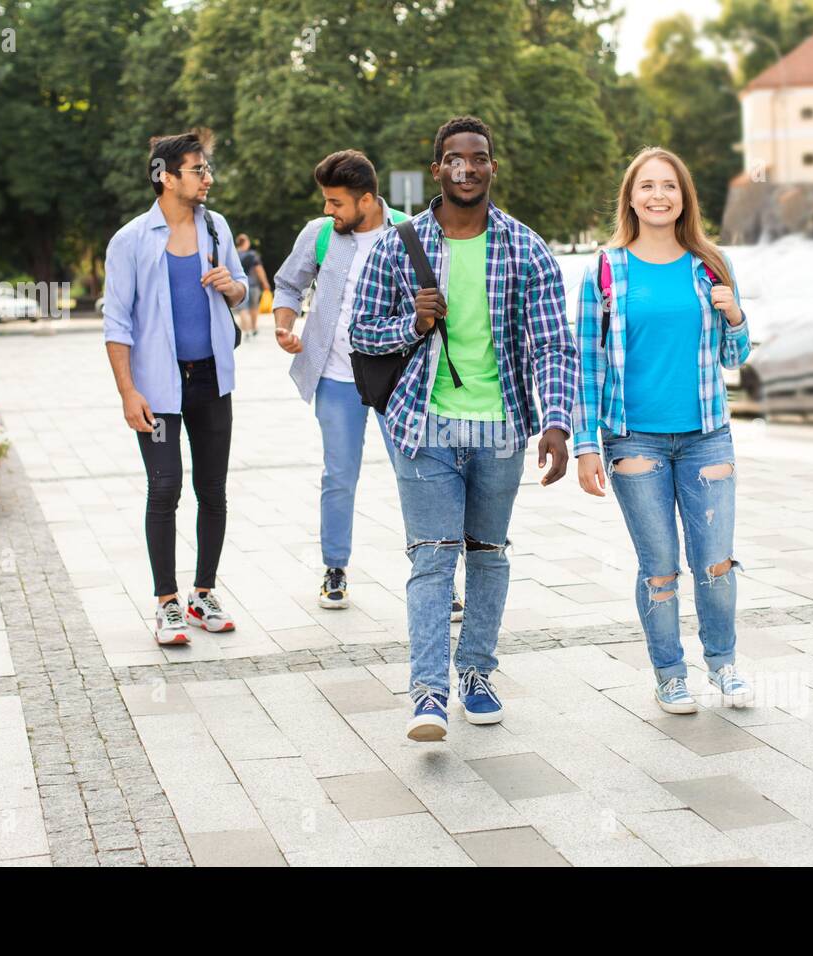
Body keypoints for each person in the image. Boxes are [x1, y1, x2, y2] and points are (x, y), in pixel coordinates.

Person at [350, 116, 578, 742]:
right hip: (424, 427)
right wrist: (411, 326)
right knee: (431, 557)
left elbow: (554, 344)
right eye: (454, 158)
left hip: (502, 429)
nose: (466, 168)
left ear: (492, 168)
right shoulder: (398, 245)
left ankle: (476, 671)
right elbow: (359, 331)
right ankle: (427, 693)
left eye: (478, 158)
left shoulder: (525, 247)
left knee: (487, 555)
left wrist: (557, 422)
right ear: (437, 169)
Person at [573, 146, 752, 715]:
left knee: (716, 562)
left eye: (669, 186)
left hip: (707, 436)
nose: (658, 195)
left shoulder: (711, 264)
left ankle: (723, 665)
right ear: (630, 196)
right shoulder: (605, 270)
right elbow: (586, 364)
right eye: (646, 186)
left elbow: (734, 358)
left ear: (684, 197)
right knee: (660, 567)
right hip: (634, 441)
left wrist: (736, 317)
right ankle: (670, 674)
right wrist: (584, 444)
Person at [272, 150, 465, 620]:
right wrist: (283, 326)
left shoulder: (411, 232)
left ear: (366, 199)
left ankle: (439, 577)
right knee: (338, 475)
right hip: (335, 378)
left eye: (336, 203)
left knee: (419, 476)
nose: (327, 211)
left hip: (397, 375)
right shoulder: (319, 236)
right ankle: (335, 568)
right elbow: (287, 284)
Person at [102, 130, 246, 645]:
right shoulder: (131, 240)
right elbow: (116, 324)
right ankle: (166, 602)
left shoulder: (217, 228)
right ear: (165, 176)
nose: (208, 177)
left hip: (211, 377)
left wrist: (234, 286)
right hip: (157, 387)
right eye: (197, 169)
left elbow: (239, 292)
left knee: (213, 490)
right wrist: (127, 392)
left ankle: (203, 592)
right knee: (164, 488)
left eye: (207, 169)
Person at [234, 233, 270, 340]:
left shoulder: (234, 254)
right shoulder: (252, 255)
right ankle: (253, 328)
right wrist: (265, 283)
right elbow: (259, 270)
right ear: (246, 242)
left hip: (239, 285)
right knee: (254, 307)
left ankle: (247, 331)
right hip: (253, 285)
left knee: (242, 309)